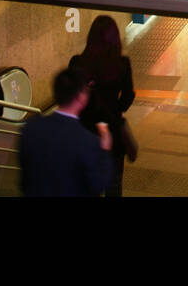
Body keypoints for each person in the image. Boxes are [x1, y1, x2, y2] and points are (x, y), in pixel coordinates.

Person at [69, 16, 136, 197]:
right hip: (113, 133)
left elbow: (70, 97)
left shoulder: (77, 63)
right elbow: (128, 95)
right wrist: (116, 110)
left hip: (84, 133)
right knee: (114, 187)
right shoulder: (122, 64)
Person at [19, 68, 112, 197]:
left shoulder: (30, 127)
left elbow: (25, 180)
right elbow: (99, 185)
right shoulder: (89, 141)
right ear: (81, 97)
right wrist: (105, 150)